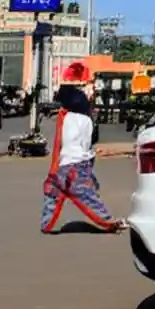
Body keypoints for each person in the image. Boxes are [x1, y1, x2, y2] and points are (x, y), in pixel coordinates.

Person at [41, 62, 125, 234]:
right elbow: (88, 141)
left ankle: (46, 224)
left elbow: (60, 143)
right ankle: (108, 222)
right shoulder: (85, 118)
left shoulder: (66, 116)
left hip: (66, 163)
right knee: (87, 194)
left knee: (54, 194)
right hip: (78, 162)